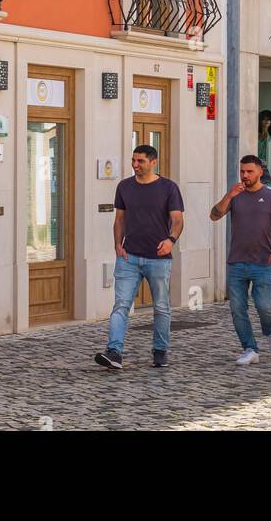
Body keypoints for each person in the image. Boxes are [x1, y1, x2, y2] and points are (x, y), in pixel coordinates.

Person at [94, 145, 184, 371]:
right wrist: (117, 244)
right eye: (133, 160)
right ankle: (114, 351)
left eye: (140, 161)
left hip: (158, 258)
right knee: (121, 305)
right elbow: (120, 219)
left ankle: (160, 351)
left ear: (153, 162)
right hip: (129, 257)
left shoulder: (168, 188)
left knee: (161, 307)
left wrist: (171, 240)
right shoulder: (124, 186)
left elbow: (177, 219)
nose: (135, 165)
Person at [211, 154, 271, 365]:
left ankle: (270, 332)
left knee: (264, 305)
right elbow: (214, 215)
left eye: (249, 172)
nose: (245, 176)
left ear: (260, 172)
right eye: (242, 171)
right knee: (237, 308)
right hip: (237, 261)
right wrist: (229, 195)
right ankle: (250, 348)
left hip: (263, 261)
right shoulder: (236, 195)